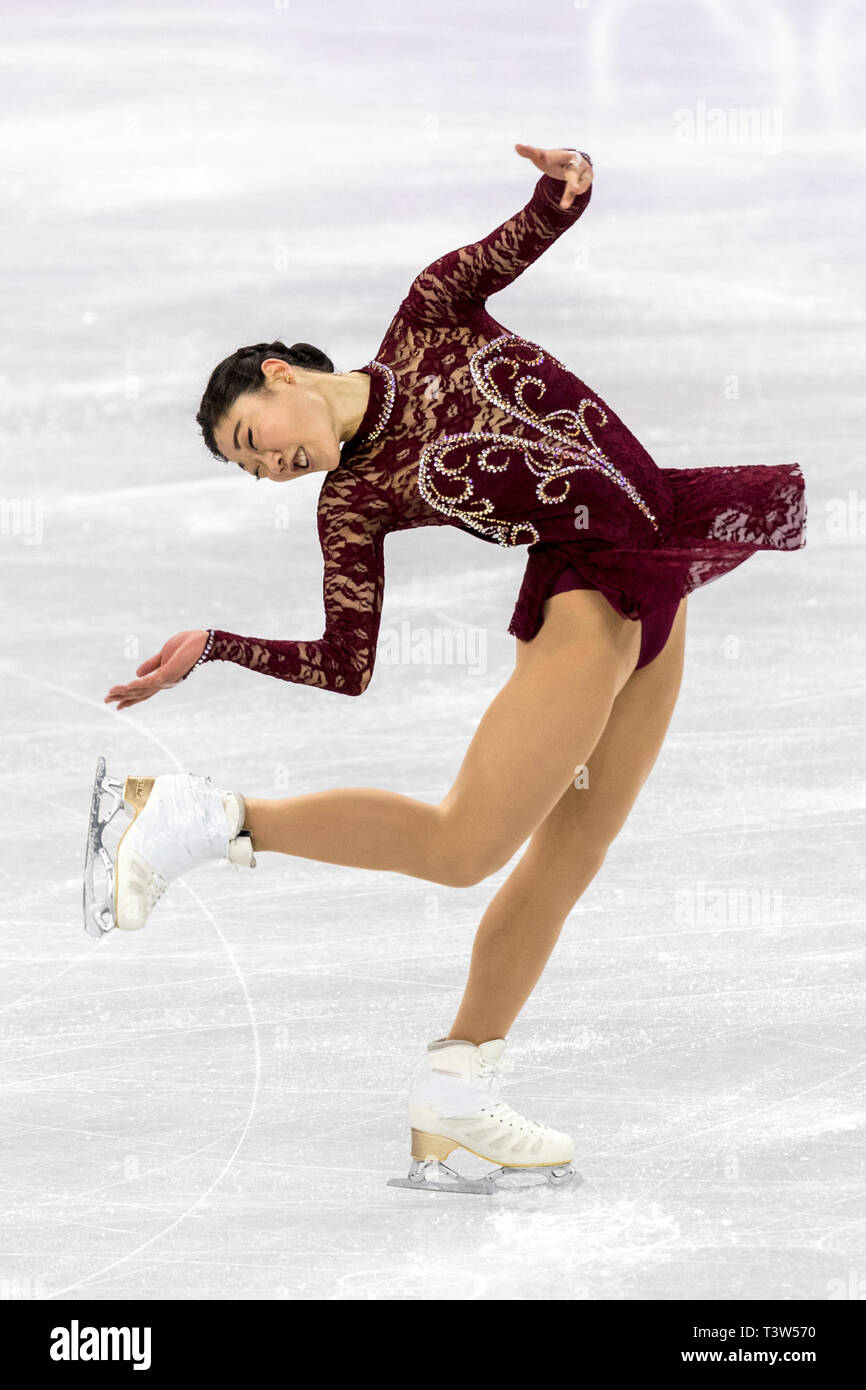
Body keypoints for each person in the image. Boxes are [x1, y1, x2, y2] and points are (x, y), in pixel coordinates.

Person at [88, 143, 806, 1193]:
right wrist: (220, 645)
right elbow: (347, 664)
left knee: (572, 855)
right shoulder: (351, 502)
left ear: (279, 375)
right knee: (464, 843)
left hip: (660, 569)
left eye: (256, 437)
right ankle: (191, 816)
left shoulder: (427, 315)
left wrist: (564, 181)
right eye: (252, 469)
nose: (271, 465)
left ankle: (457, 1088)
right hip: (581, 595)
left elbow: (531, 227)